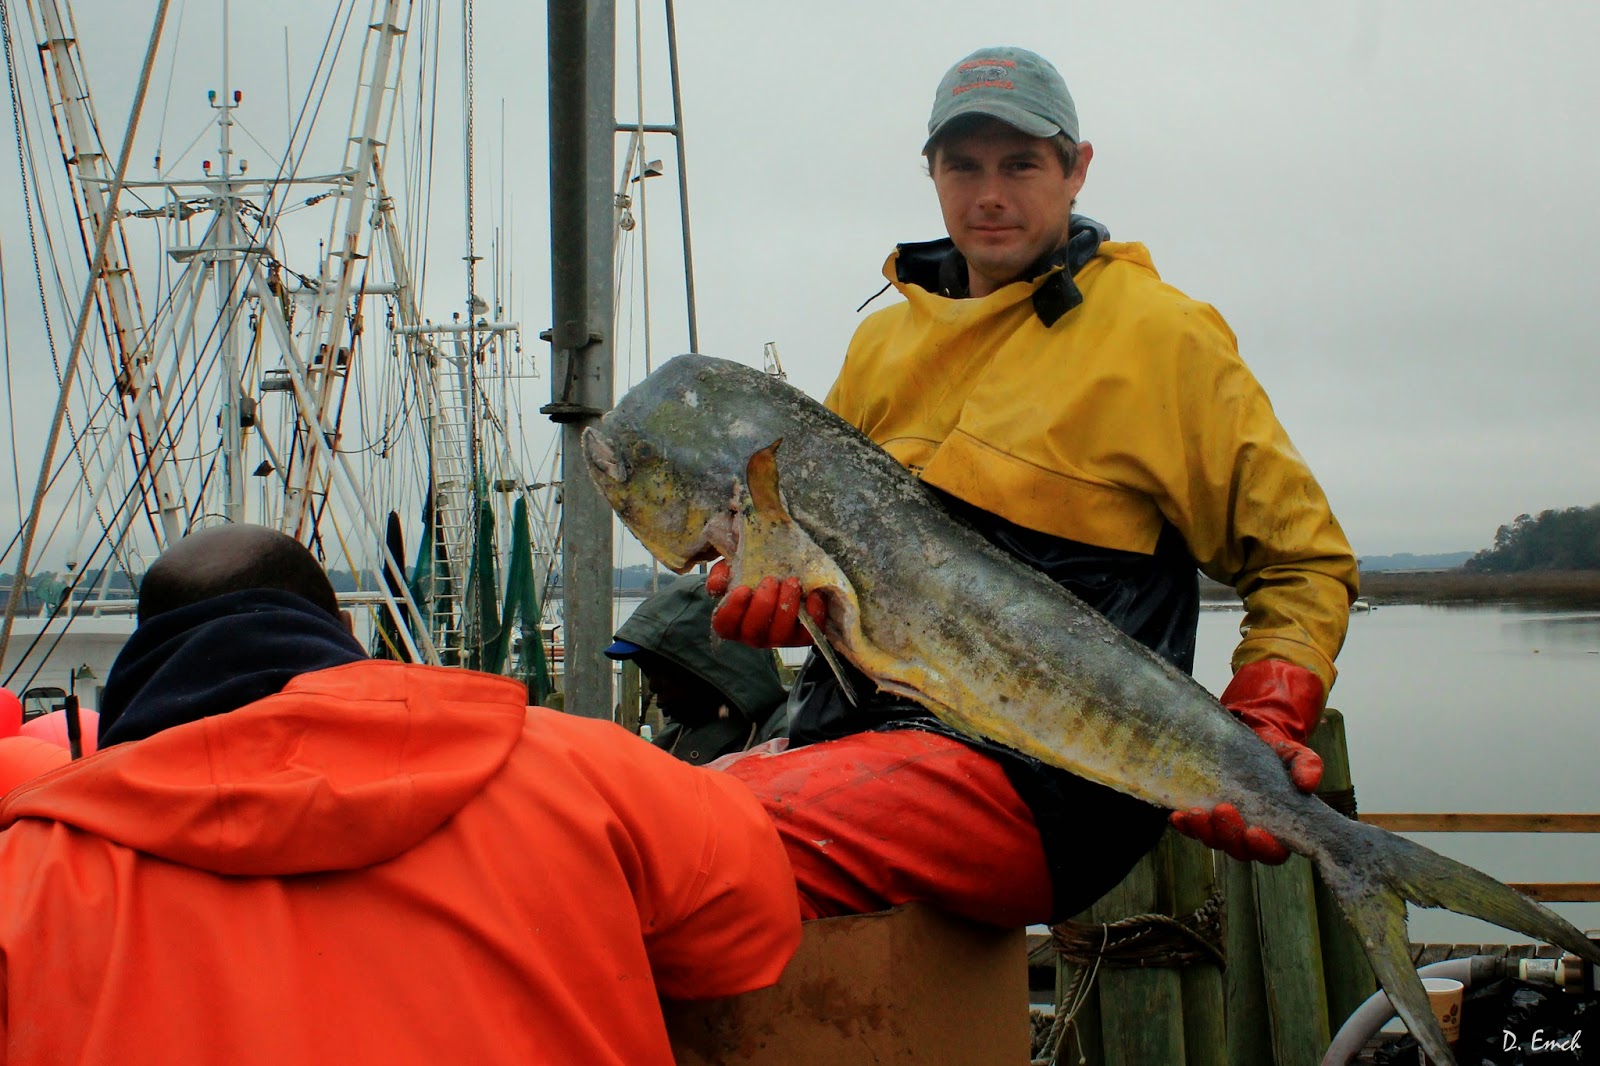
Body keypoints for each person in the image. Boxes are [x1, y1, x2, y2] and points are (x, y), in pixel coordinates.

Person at [710, 46, 1358, 926]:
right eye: (964, 166)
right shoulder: (881, 348)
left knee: (687, 847)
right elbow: (830, 571)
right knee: (580, 811)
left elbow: (1303, 563)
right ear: (931, 173)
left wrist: (1267, 720)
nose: (990, 195)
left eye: (1021, 164)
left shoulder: (1163, 338)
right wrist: (780, 598)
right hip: (850, 742)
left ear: (1077, 169)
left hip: (1046, 785)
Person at [0, 525, 800, 1066]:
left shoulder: (25, 875)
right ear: (340, 630)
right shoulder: (593, 771)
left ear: (144, 657)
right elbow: (753, 937)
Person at [605, 573, 788, 765]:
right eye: (647, 670)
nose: (653, 685)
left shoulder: (788, 738)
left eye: (664, 671)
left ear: (713, 667)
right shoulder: (674, 737)